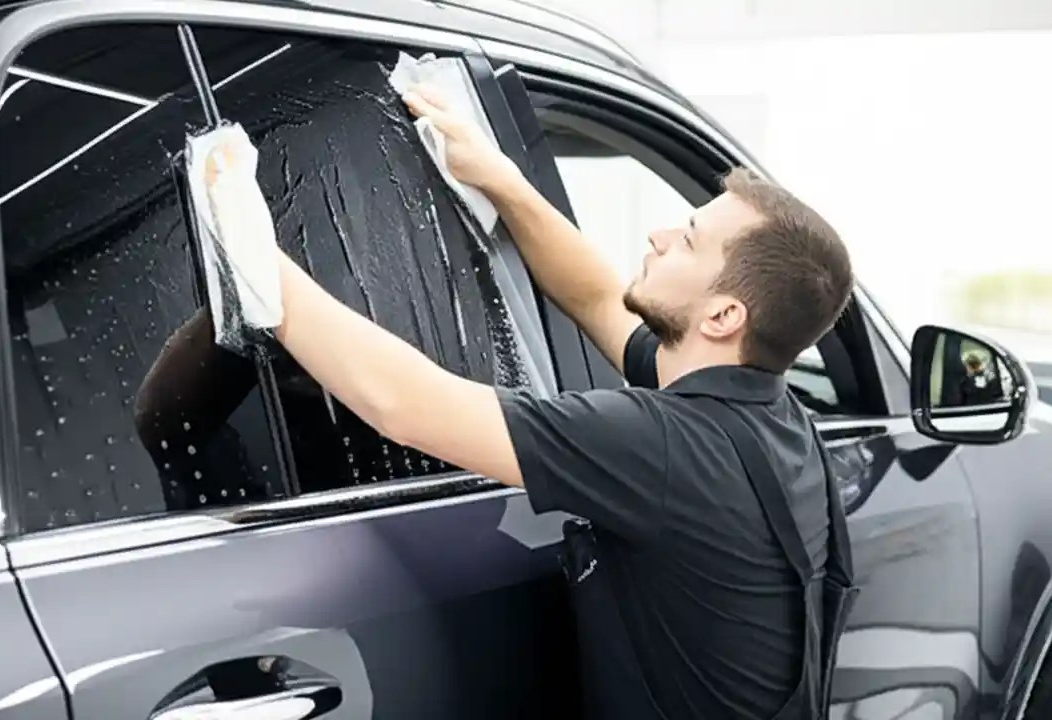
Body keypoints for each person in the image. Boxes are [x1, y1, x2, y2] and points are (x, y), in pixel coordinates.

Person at [207, 83, 857, 718]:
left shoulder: (661, 446)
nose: (660, 236)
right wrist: (498, 179)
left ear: (722, 316)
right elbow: (598, 298)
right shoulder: (773, 419)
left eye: (688, 238)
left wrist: (242, 235)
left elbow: (400, 403)